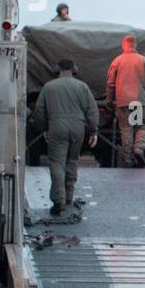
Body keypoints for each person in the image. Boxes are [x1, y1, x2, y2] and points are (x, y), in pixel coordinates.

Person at [33, 59, 98, 215]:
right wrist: (93, 131)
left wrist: (45, 128)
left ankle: (58, 200)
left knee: (57, 163)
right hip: (78, 128)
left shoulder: (49, 87)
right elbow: (92, 110)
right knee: (72, 161)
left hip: (57, 127)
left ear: (57, 70)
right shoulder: (82, 87)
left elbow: (39, 111)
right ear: (74, 70)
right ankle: (69, 197)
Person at [107, 33, 145, 167]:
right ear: (135, 45)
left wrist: (110, 100)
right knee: (141, 126)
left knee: (126, 129)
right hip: (139, 101)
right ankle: (139, 149)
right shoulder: (143, 60)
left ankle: (128, 159)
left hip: (123, 102)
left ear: (124, 45)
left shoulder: (117, 61)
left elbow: (111, 83)